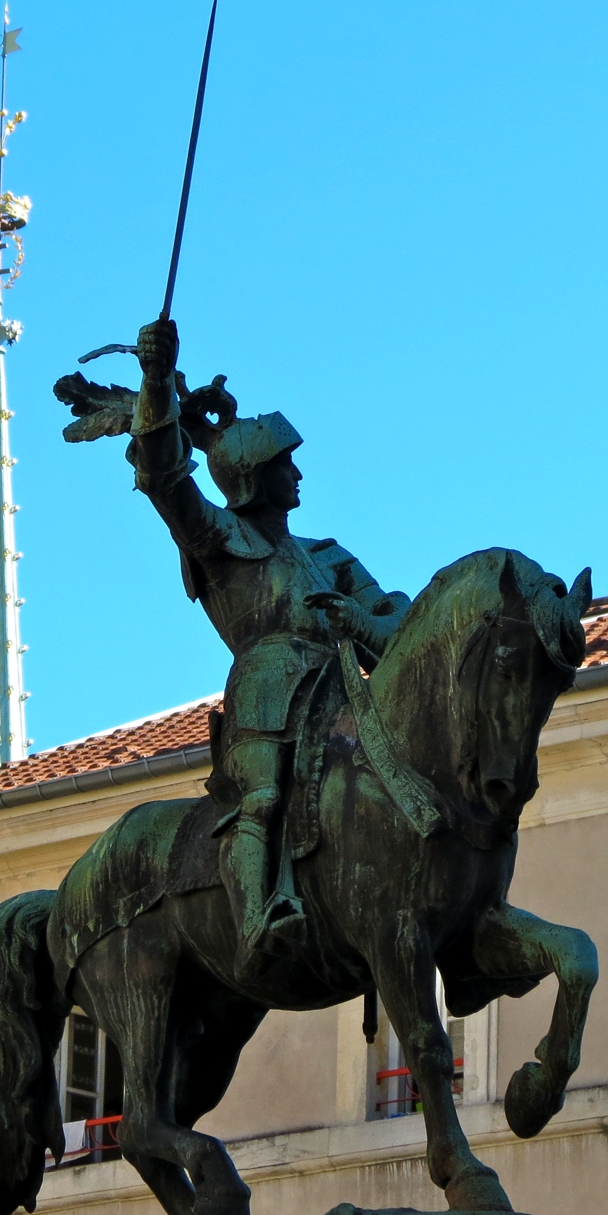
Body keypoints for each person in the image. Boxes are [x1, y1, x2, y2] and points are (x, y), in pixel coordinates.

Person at [130, 317, 410, 979]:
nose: (299, 471)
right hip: (266, 689)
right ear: (254, 477)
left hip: (341, 689)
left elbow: (391, 617)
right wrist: (154, 383)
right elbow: (166, 477)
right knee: (261, 797)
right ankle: (259, 915)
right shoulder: (220, 540)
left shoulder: (327, 555)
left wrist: (365, 623)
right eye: (285, 462)